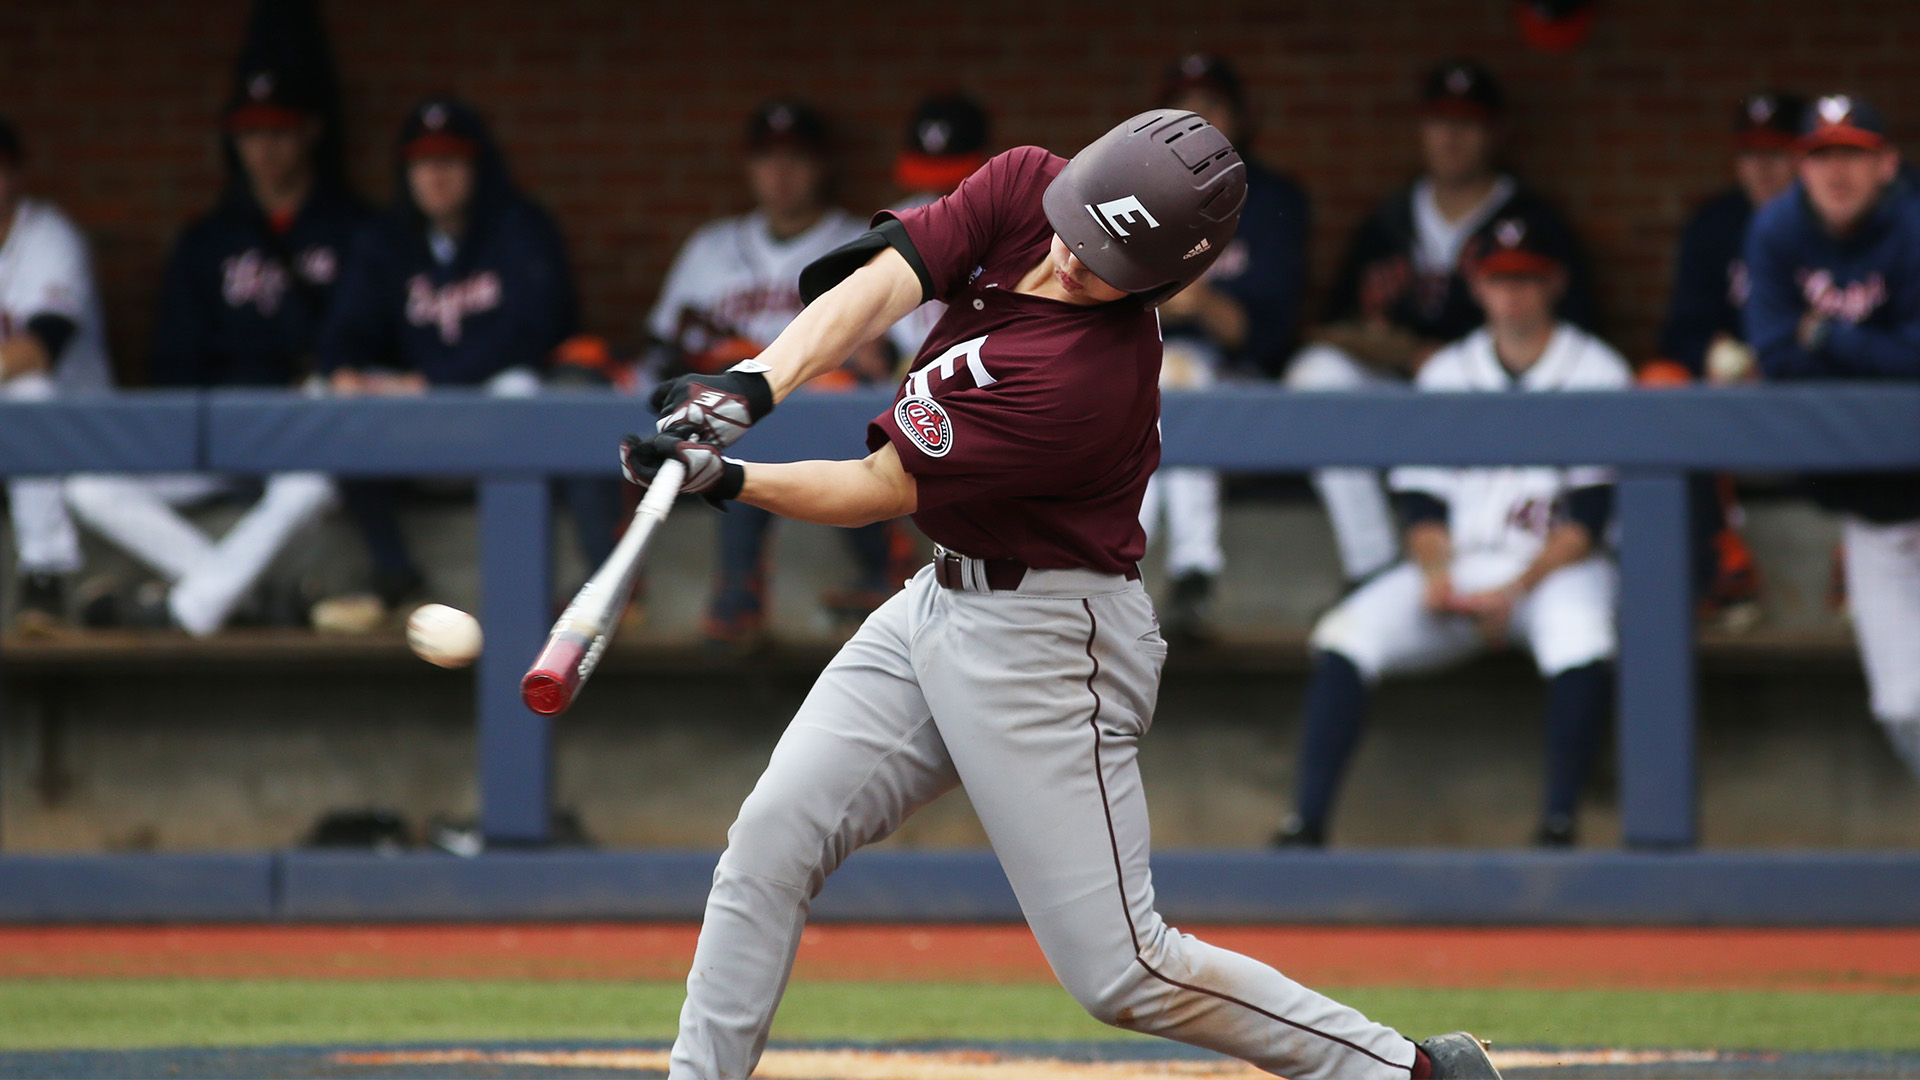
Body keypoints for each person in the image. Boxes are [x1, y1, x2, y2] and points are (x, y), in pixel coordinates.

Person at [621, 111, 1499, 1080]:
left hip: (1047, 636)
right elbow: (890, 277)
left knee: (1123, 971)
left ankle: (1406, 1072)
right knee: (769, 842)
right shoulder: (1026, 183)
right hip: (937, 600)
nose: (1074, 260)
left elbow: (879, 488)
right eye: (1078, 229)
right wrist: (751, 386)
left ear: (1163, 280)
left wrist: (732, 480)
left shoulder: (1086, 378)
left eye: (1110, 260)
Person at [1277, 213, 1629, 851]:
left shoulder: (1597, 369)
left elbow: (1589, 519)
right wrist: (1437, 573)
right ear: (1477, 285)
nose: (1513, 294)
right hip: (1461, 564)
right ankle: (1304, 827)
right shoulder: (1448, 372)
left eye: (1527, 278)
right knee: (1346, 633)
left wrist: (1516, 590)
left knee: (1581, 636)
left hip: (1556, 571)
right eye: (1500, 279)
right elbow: (1422, 506)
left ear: (1555, 283)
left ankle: (1558, 827)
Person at [65, 67, 365, 635]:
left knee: (311, 486)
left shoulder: (354, 230)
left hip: (303, 426)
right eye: (252, 133)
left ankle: (190, 607)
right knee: (87, 483)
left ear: (309, 133)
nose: (265, 148)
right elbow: (173, 360)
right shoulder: (208, 238)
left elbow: (363, 342)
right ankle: (241, 597)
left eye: (279, 132)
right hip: (221, 429)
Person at [1288, 60, 1596, 588]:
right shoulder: (1387, 221)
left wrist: (1458, 358)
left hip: (1488, 404)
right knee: (1314, 377)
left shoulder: (1533, 222)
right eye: (1440, 121)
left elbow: (1569, 334)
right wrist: (1395, 349)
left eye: (1468, 123)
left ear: (1496, 132)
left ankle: (1496, 562)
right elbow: (1333, 321)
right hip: (1401, 399)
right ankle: (1371, 564)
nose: (1451, 136)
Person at [314, 96, 614, 629]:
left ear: (477, 166)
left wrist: (430, 381)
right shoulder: (385, 238)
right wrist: (346, 371)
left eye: (449, 161)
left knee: (523, 390)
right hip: (417, 421)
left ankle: (518, 593)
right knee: (328, 396)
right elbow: (344, 334)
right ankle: (394, 572)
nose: (435, 176)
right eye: (423, 163)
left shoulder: (518, 225)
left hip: (489, 408)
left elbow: (535, 332)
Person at [646, 100, 894, 646]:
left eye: (796, 158)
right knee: (737, 413)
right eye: (767, 158)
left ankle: (876, 572)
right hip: (743, 414)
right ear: (749, 166)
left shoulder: (865, 239)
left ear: (823, 165)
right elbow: (661, 351)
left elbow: (890, 355)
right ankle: (738, 592)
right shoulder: (709, 247)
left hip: (833, 417)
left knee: (822, 406)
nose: (780, 173)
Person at [1744, 94, 1920, 783]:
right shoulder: (1776, 230)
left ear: (1887, 165)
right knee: (1904, 706)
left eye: (1852, 155)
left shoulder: (1913, 224)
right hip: (1870, 509)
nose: (1836, 172)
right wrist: (1878, 351)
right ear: (1800, 168)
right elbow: (1775, 357)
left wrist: (1826, 335)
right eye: (1820, 157)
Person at [1138, 53, 1311, 640]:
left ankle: (1165, 565)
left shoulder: (1271, 200)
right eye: (1181, 106)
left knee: (1179, 378)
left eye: (1211, 104)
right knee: (1164, 377)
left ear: (1240, 117)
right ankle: (1177, 570)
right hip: (1145, 376)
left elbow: (1269, 334)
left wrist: (1203, 304)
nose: (1195, 119)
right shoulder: (1134, 194)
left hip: (1243, 385)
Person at [1645, 92, 1808, 625]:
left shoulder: (1835, 223)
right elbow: (1679, 336)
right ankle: (1720, 557)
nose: (1762, 168)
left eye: (1777, 153)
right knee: (1660, 382)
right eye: (1750, 153)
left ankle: (1848, 557)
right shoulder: (1716, 226)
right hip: (1734, 401)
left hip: (1813, 392)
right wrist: (1716, 357)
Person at [0, 115, 112, 635]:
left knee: (28, 391)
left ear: (14, 174)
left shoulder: (48, 237)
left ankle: (44, 572)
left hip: (79, 428)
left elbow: (41, 347)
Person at [885, 92, 992, 366]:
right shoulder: (892, 223)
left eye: (949, 175)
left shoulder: (1004, 220)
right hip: (904, 368)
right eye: (928, 172)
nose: (937, 187)